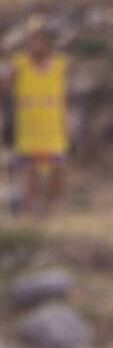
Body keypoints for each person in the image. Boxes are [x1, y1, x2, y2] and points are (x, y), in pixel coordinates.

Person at [0, 16, 69, 217]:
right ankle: (28, 216)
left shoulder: (59, 66)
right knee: (30, 172)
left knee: (57, 169)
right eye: (34, 40)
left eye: (41, 40)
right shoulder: (19, 65)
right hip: (29, 129)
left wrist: (65, 124)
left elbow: (63, 97)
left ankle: (50, 213)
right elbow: (4, 87)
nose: (37, 45)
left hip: (52, 128)